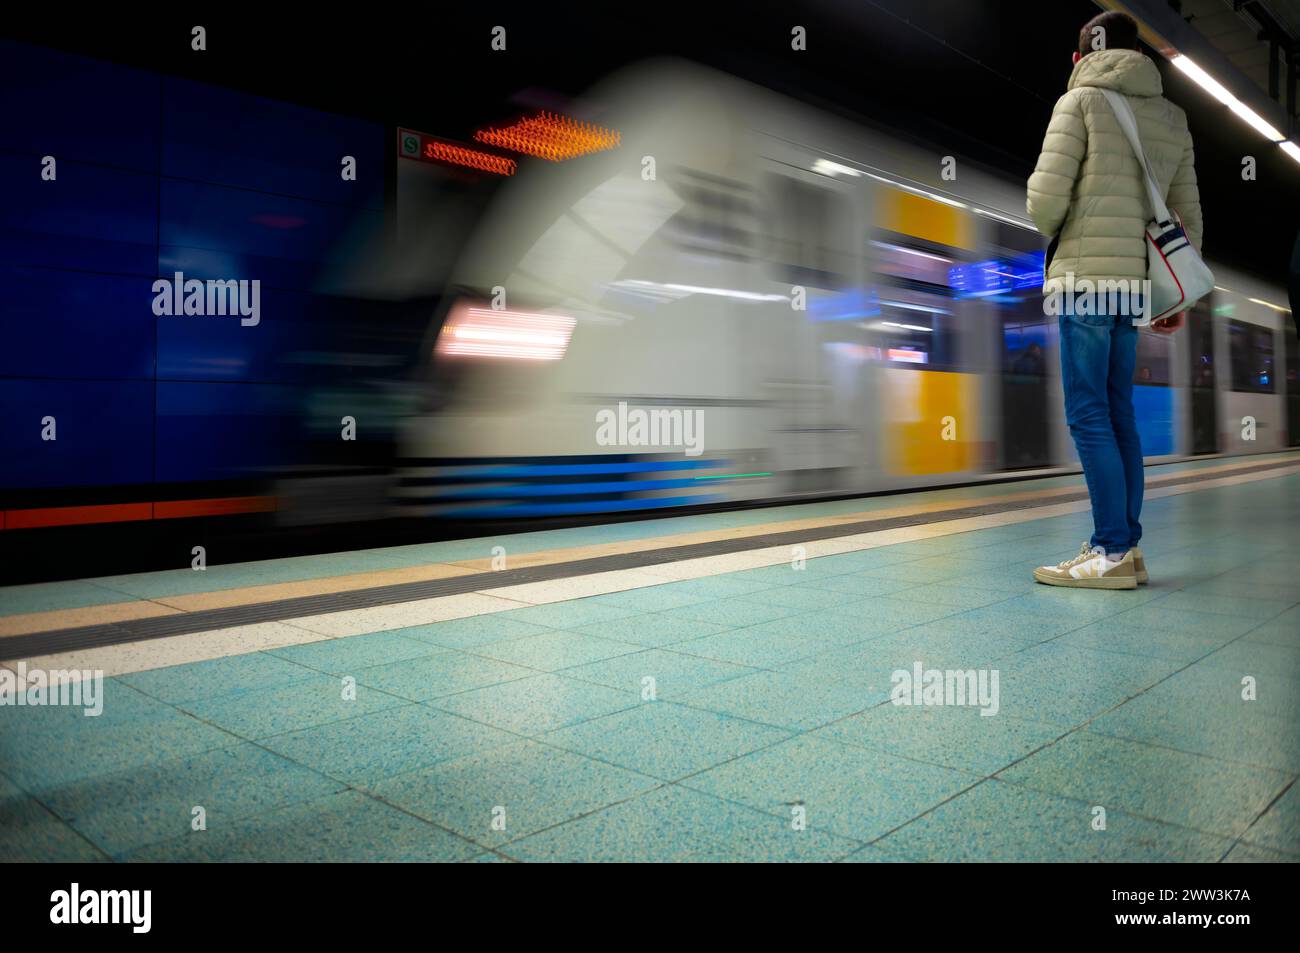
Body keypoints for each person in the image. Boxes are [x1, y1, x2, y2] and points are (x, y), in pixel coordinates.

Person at [1026, 10, 1202, 589]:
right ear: (1140, 56)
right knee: (1119, 413)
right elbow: (1187, 216)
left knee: (1088, 414)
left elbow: (1044, 205)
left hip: (1084, 282)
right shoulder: (1173, 118)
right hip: (1132, 287)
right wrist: (1172, 295)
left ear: (1080, 59)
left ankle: (1110, 549)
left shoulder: (1077, 104)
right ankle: (1126, 547)